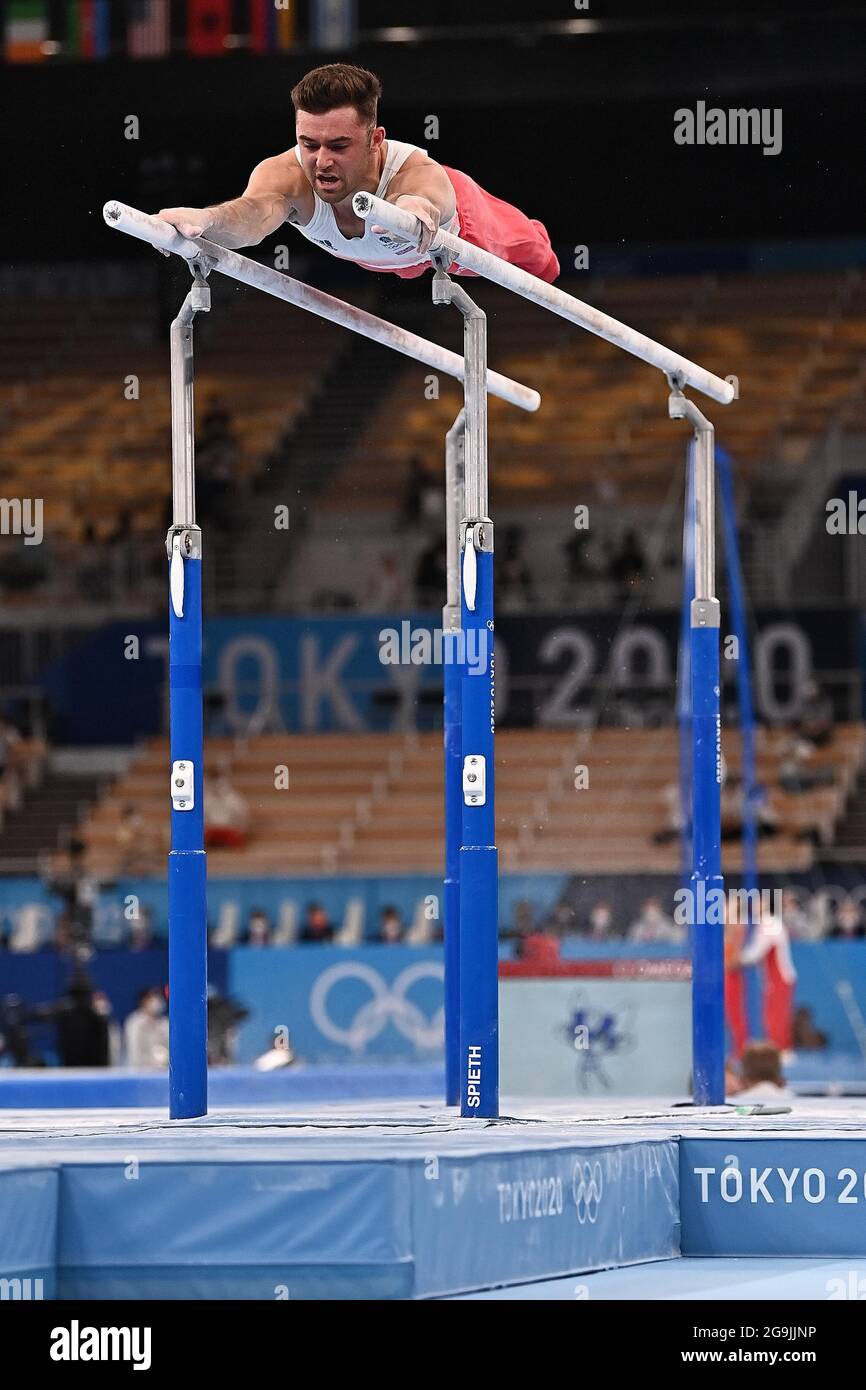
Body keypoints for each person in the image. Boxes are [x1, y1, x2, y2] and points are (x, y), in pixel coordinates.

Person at [156, 63, 559, 285]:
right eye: (309, 144)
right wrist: (205, 220)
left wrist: (412, 214)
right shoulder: (286, 177)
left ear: (375, 140)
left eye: (338, 146)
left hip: (461, 231)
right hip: (380, 258)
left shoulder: (416, 173)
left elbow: (420, 201)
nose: (321, 161)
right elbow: (250, 217)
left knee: (539, 262)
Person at [123, 987, 169, 1069]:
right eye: (151, 998)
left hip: (163, 1072)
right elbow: (135, 1053)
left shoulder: (165, 1023)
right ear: (144, 1001)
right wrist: (152, 1064)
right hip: (139, 1073)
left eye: (157, 997)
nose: (156, 1001)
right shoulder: (134, 1023)